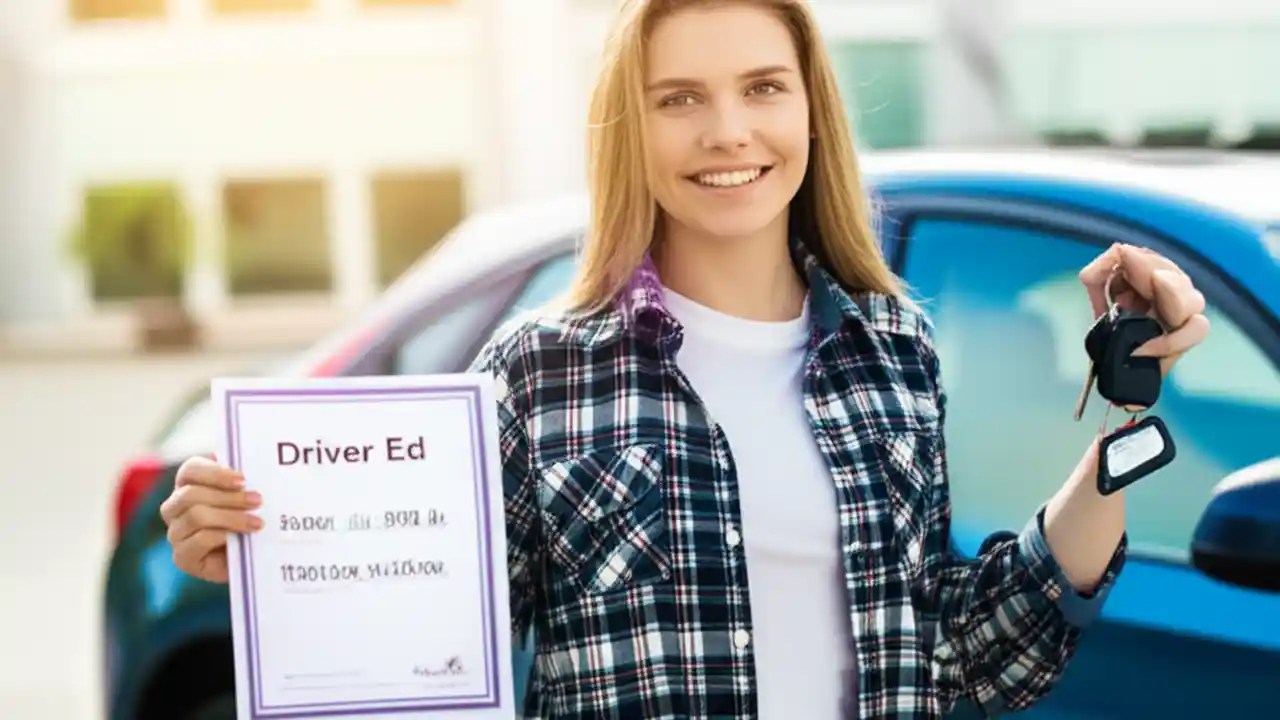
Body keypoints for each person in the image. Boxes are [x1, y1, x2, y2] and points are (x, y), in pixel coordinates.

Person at [159, 1, 1211, 718]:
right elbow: (430, 663)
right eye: (679, 98)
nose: (727, 131)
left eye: (762, 88)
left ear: (808, 110)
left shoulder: (893, 353)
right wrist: (273, 570)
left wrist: (1127, 427)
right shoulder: (538, 374)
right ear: (633, 126)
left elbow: (959, 655)